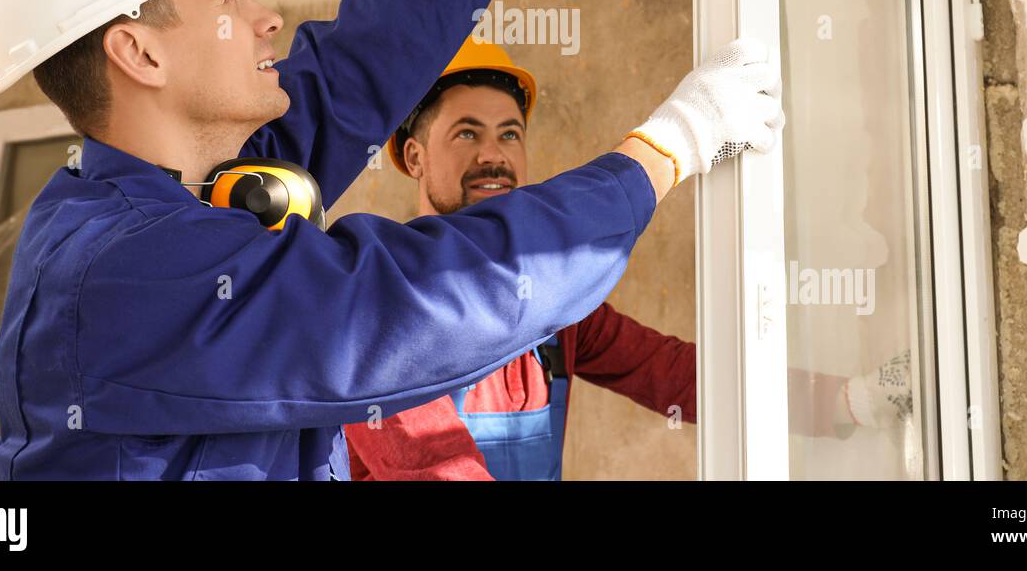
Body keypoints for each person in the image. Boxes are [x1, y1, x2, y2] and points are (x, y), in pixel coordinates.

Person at [0, 0, 788, 480]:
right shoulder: (129, 268)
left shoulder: (194, 188)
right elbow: (410, 302)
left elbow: (364, 58)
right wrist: (671, 143)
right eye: (228, 0)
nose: (268, 19)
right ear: (140, 52)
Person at [344, 40, 911, 480]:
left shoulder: (549, 305)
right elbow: (427, 462)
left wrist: (846, 400)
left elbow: (670, 373)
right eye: (466, 133)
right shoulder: (376, 300)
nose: (493, 154)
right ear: (414, 156)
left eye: (510, 134)